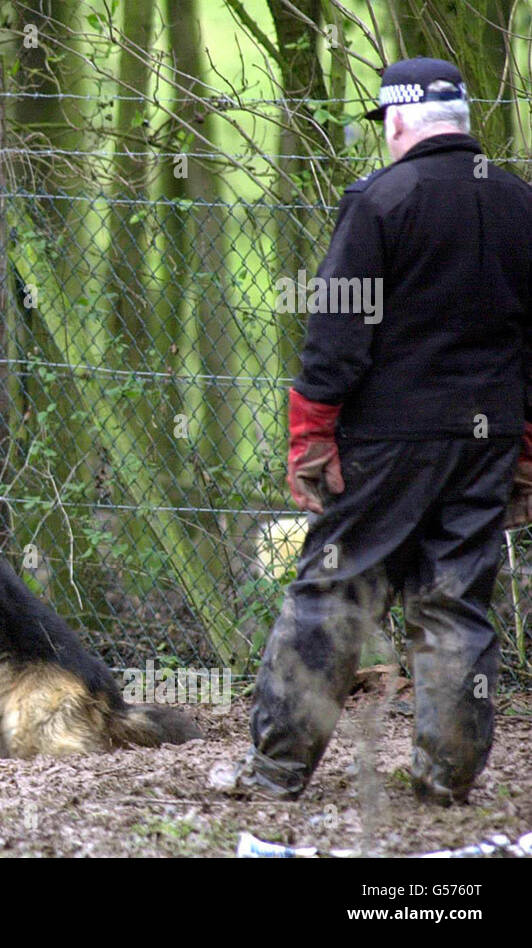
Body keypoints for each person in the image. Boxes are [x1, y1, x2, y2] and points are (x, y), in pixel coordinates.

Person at [225, 58, 532, 804]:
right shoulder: (522, 202)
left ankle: (275, 771)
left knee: (334, 595)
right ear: (460, 120)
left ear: (397, 122)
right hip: (485, 437)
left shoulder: (381, 200)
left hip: (388, 441)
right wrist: (525, 444)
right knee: (456, 603)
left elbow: (337, 328)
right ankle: (445, 780)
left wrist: (310, 433)